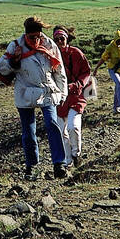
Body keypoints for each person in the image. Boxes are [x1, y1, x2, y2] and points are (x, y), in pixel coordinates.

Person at [0, 15, 69, 179]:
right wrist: (14, 62)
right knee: (29, 132)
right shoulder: (15, 46)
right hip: (25, 92)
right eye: (31, 37)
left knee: (52, 124)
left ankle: (59, 164)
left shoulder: (49, 45)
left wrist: (63, 93)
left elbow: (59, 71)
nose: (35, 40)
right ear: (25, 34)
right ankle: (32, 167)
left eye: (38, 36)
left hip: (47, 90)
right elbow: (1, 68)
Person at [53, 25, 93, 166]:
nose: (59, 41)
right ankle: (68, 161)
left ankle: (76, 154)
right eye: (56, 39)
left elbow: (86, 72)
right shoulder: (51, 56)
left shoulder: (76, 53)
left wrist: (78, 85)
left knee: (73, 126)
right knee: (60, 131)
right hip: (58, 98)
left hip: (76, 95)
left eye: (61, 38)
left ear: (67, 39)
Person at [95, 30, 120, 115]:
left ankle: (115, 108)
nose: (119, 42)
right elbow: (103, 58)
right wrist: (96, 69)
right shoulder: (110, 47)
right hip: (113, 69)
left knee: (118, 88)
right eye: (118, 40)